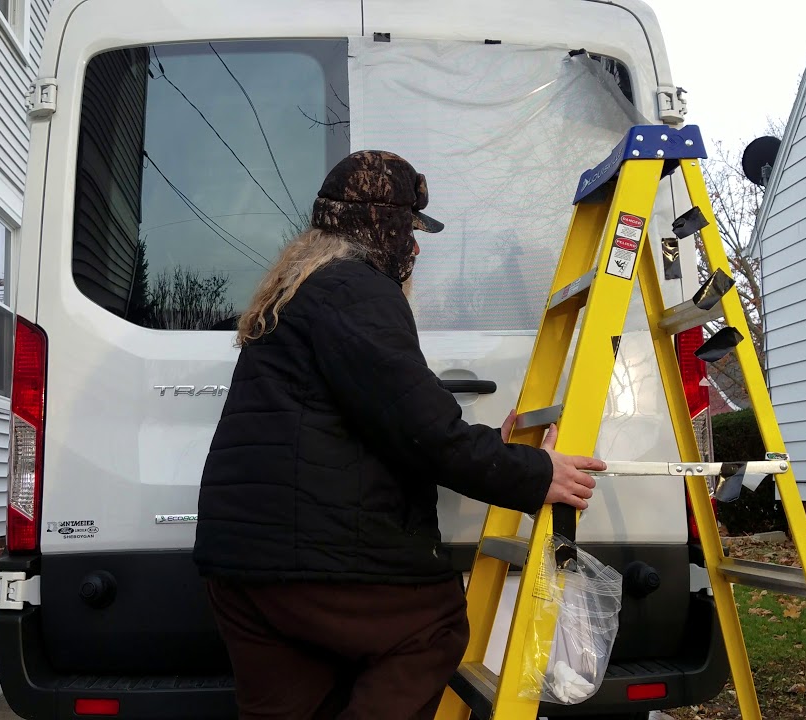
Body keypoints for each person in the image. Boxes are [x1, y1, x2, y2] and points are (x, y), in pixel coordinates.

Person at [193, 150, 607, 719]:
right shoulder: (355, 290)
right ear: (381, 227)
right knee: (431, 628)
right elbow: (421, 429)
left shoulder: (298, 291)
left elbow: (376, 415)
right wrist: (536, 474)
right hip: (312, 563)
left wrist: (493, 445)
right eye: (409, 230)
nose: (414, 248)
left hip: (242, 566)